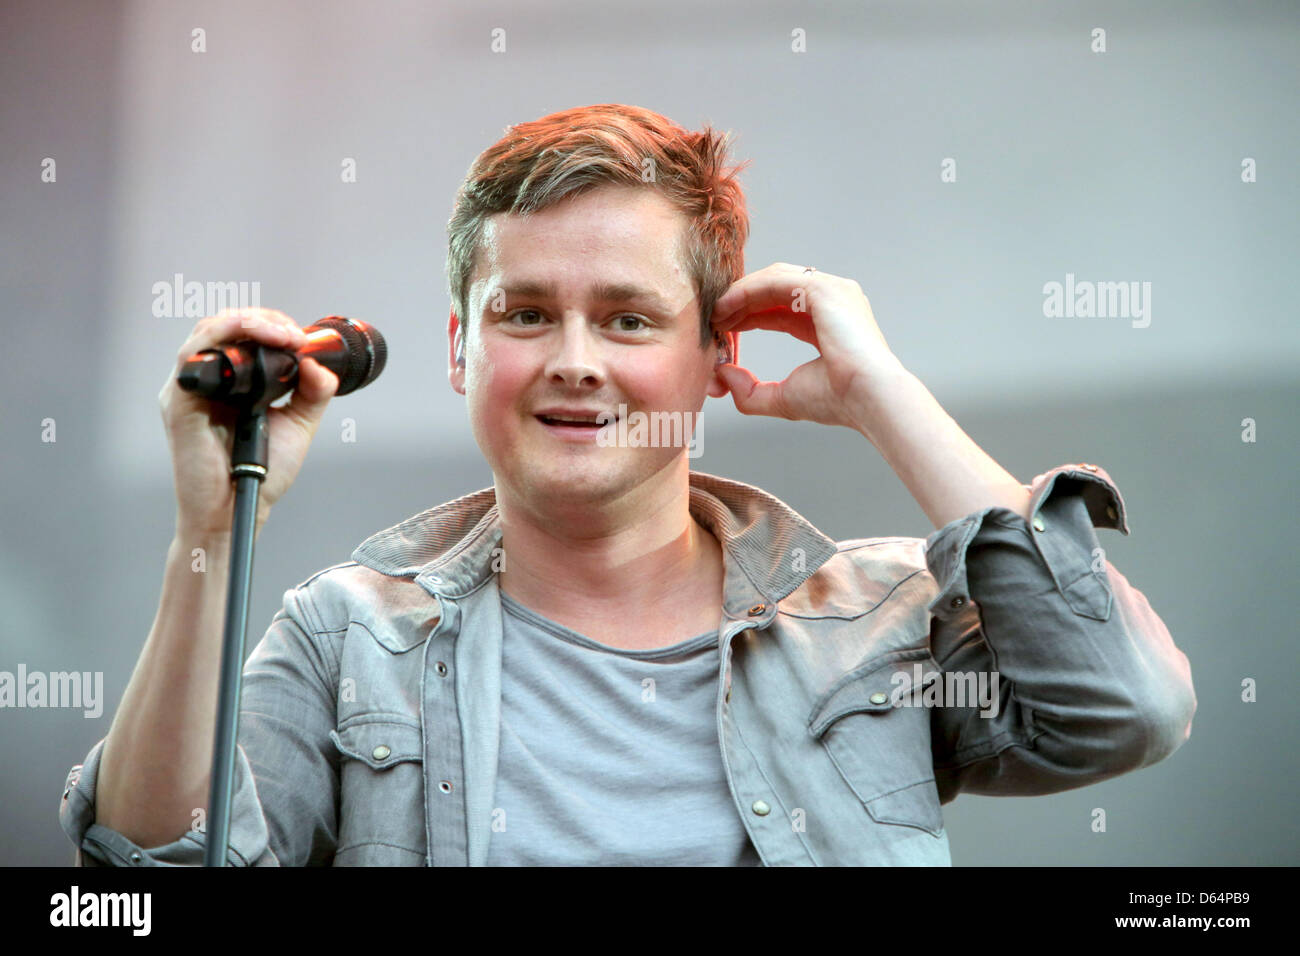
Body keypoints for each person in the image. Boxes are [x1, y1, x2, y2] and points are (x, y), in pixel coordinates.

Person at [60, 103, 1196, 866]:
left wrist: (878, 391)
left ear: (715, 355)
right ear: (461, 350)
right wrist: (211, 530)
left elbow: (1123, 708)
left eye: (628, 319)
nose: (573, 359)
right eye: (524, 313)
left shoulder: (872, 624)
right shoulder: (347, 638)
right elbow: (140, 884)